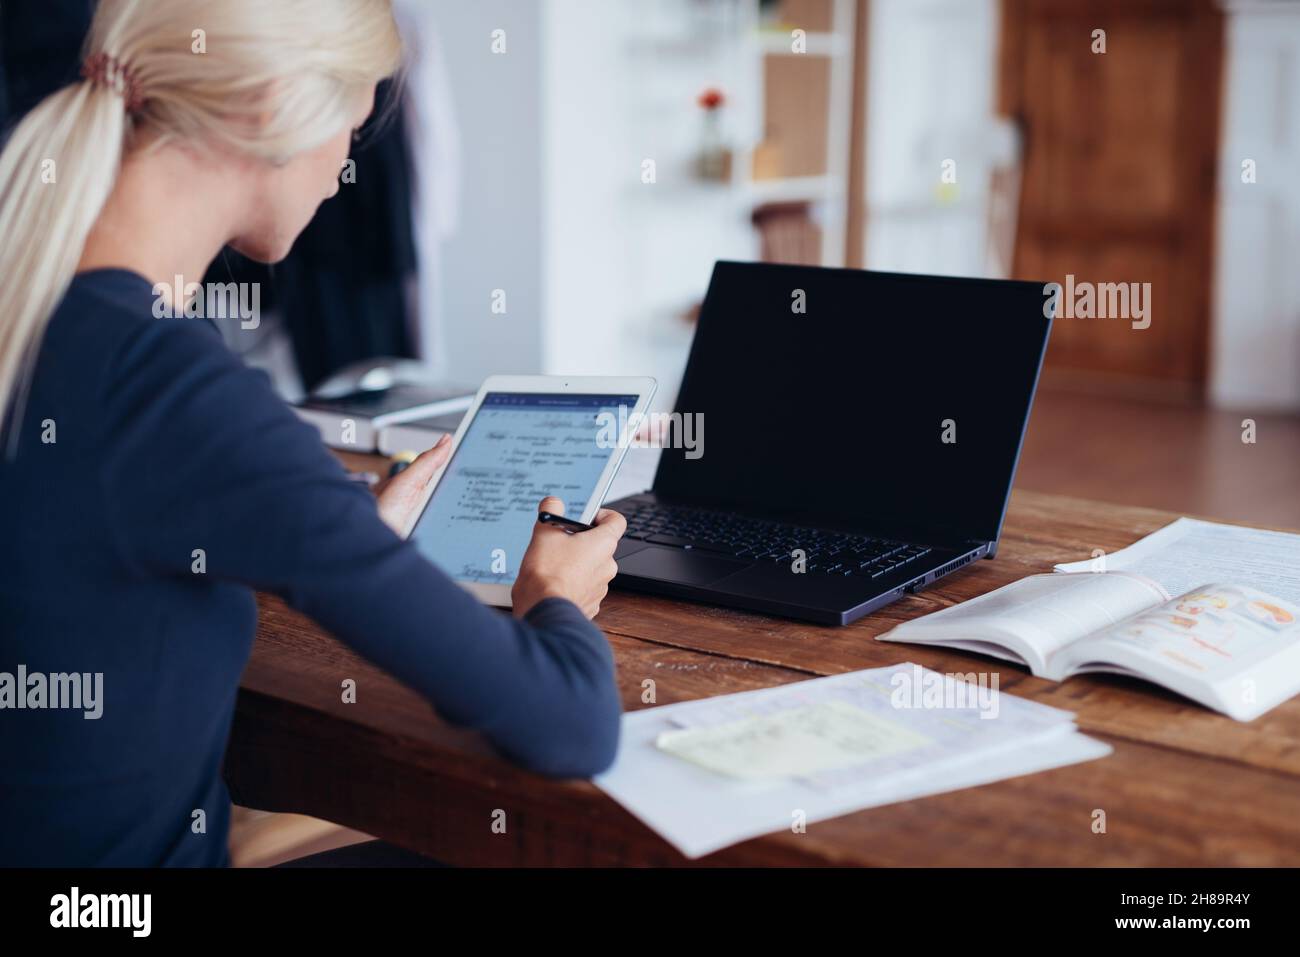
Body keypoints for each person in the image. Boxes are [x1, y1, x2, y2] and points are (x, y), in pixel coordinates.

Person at [0, 0, 625, 867]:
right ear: (267, 108)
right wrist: (554, 591)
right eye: (353, 124)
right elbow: (569, 723)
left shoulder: (39, 314)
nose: (343, 172)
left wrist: (340, 531)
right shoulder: (170, 383)